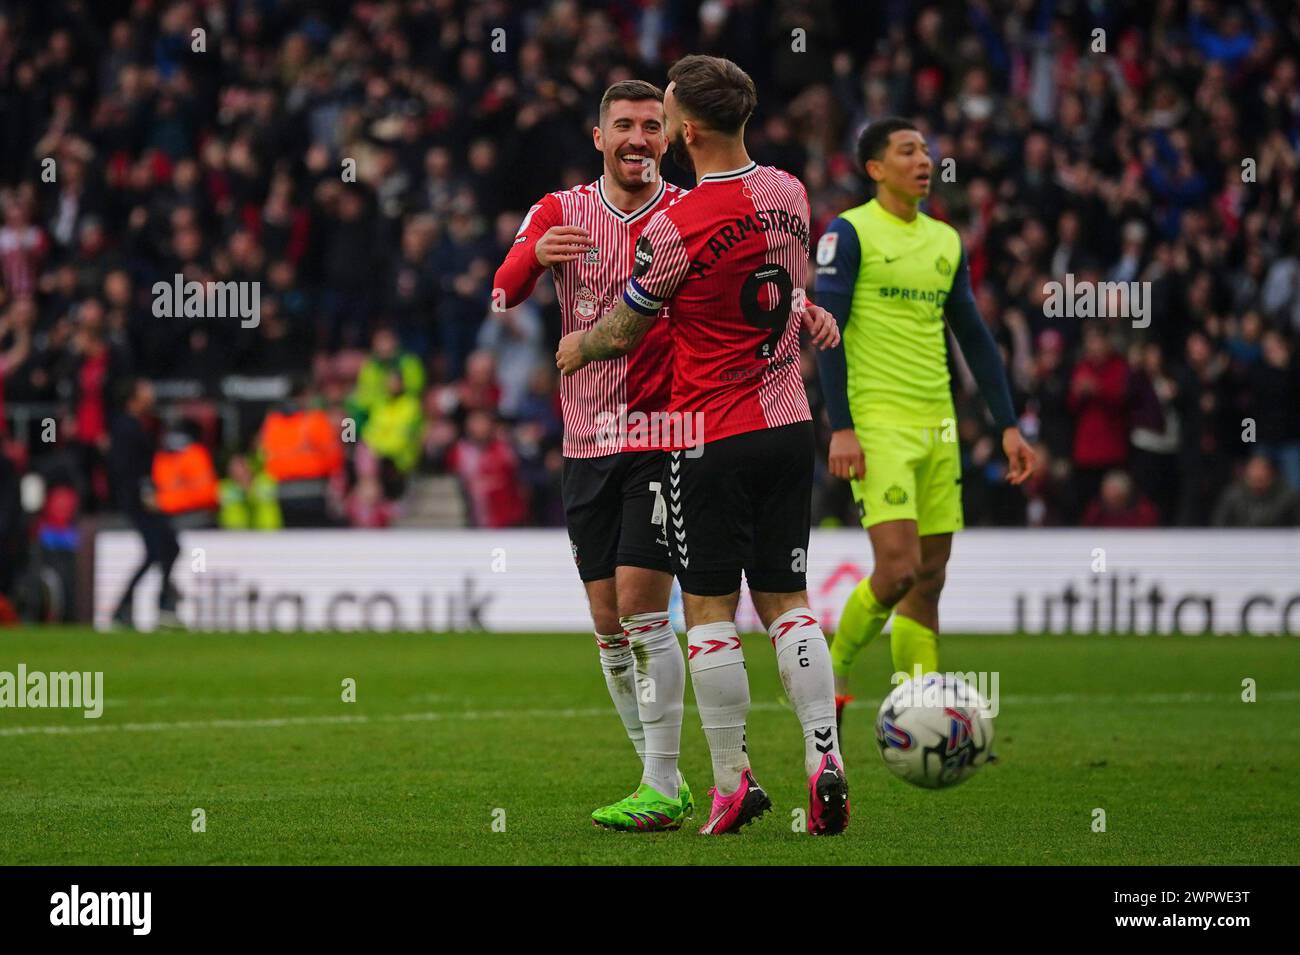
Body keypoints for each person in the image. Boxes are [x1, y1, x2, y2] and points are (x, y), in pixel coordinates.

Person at [557, 55, 847, 835]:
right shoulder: (790, 192)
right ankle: (824, 756)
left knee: (713, 614)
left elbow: (626, 328)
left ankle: (731, 780)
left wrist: (579, 345)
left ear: (685, 129)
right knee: (790, 602)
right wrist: (808, 316)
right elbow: (780, 289)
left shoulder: (673, 227)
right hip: (789, 423)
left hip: (709, 434)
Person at [493, 80, 692, 830]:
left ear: (668, 137)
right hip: (585, 443)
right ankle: (654, 769)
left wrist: (804, 311)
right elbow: (500, 295)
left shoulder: (689, 212)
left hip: (664, 434)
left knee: (643, 610)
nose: (639, 138)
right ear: (600, 137)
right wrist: (534, 258)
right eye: (625, 126)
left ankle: (664, 781)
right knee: (607, 623)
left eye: (652, 125)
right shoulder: (558, 211)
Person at [812, 117, 1035, 728]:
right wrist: (842, 426)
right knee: (898, 567)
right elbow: (824, 334)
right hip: (877, 423)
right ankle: (835, 661)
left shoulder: (945, 241)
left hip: (938, 425)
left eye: (927, 150)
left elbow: (975, 336)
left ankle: (920, 709)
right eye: (906, 151)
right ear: (875, 168)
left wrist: (1009, 424)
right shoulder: (849, 233)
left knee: (930, 578)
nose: (923, 160)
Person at [108, 378, 182, 629]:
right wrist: (144, 491)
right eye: (145, 390)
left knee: (162, 550)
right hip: (138, 500)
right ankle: (161, 604)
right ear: (133, 398)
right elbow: (125, 467)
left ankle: (131, 606)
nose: (151, 393)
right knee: (164, 548)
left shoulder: (140, 425)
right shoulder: (126, 428)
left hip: (142, 497)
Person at [1212, 455, 1300, 527]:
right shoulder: (1233, 495)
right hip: (1240, 542)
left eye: (1261, 480)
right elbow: (1219, 523)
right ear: (1246, 476)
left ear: (1271, 475)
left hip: (1280, 543)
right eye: (1254, 479)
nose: (1258, 484)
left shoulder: (1287, 496)